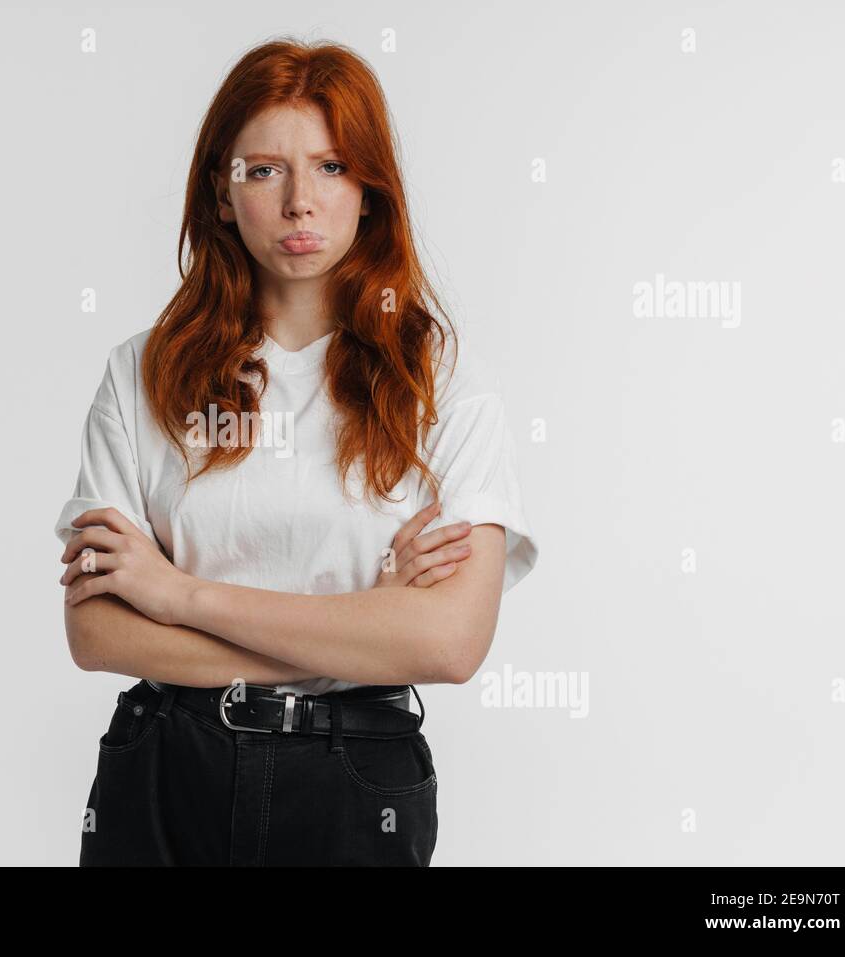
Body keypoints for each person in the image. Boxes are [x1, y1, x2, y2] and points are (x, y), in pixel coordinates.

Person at [53, 37, 539, 866]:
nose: (300, 203)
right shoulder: (140, 372)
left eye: (332, 167)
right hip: (167, 767)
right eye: (265, 170)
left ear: (371, 192)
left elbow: (450, 643)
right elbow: (96, 629)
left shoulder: (444, 382)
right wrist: (364, 622)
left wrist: (175, 594)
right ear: (221, 191)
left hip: (355, 778)